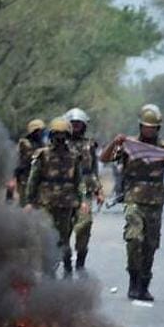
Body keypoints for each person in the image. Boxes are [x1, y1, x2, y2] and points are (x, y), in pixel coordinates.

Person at [100, 104, 164, 301]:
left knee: (150, 244)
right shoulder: (129, 145)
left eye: (152, 127)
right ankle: (133, 280)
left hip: (155, 201)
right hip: (133, 198)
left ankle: (144, 283)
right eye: (145, 126)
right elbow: (105, 158)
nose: (148, 130)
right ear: (140, 126)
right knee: (134, 238)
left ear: (158, 128)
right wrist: (114, 143)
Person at [25, 117, 88, 278]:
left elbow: (79, 181)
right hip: (46, 202)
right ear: (52, 135)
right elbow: (34, 179)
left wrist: (83, 201)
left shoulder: (74, 157)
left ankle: (67, 268)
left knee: (63, 239)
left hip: (66, 204)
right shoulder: (43, 155)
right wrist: (30, 201)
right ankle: (48, 272)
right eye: (57, 135)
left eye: (63, 135)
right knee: (46, 237)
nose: (60, 139)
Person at [65, 107, 103, 273]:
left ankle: (80, 260)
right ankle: (66, 261)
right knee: (62, 229)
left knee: (84, 224)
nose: (75, 127)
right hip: (64, 191)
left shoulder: (90, 145)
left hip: (85, 190)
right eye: (72, 124)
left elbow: (94, 169)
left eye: (78, 124)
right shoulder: (60, 144)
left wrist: (99, 190)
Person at [9, 119, 46, 206]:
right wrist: (13, 177)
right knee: (25, 202)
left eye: (41, 131)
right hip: (24, 176)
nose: (41, 133)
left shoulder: (42, 144)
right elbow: (16, 159)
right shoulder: (24, 143)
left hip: (37, 176)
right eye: (39, 131)